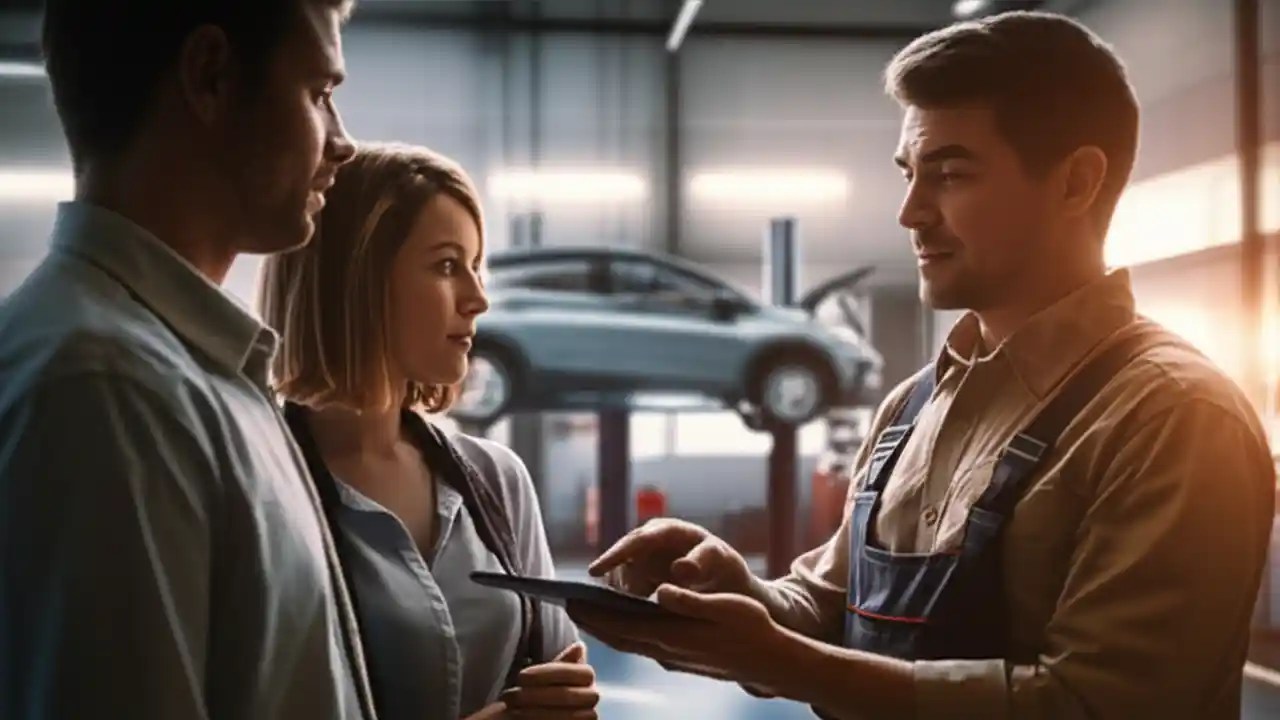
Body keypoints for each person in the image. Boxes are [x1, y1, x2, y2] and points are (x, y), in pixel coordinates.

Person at [570, 11, 1276, 720]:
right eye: (911, 174)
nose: (910, 212)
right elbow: (834, 607)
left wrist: (782, 661)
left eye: (950, 174)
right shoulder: (915, 406)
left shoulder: (1173, 419)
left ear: (1076, 183)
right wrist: (739, 594)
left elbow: (1099, 706)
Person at [0, 1, 376, 718]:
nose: (342, 142)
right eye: (320, 94)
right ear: (211, 76)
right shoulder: (106, 389)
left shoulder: (192, 368)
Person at [257, 142, 600, 720]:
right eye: (446, 266)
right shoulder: (262, 484)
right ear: (357, 280)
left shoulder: (495, 481)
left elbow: (557, 662)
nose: (478, 299)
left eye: (475, 266)